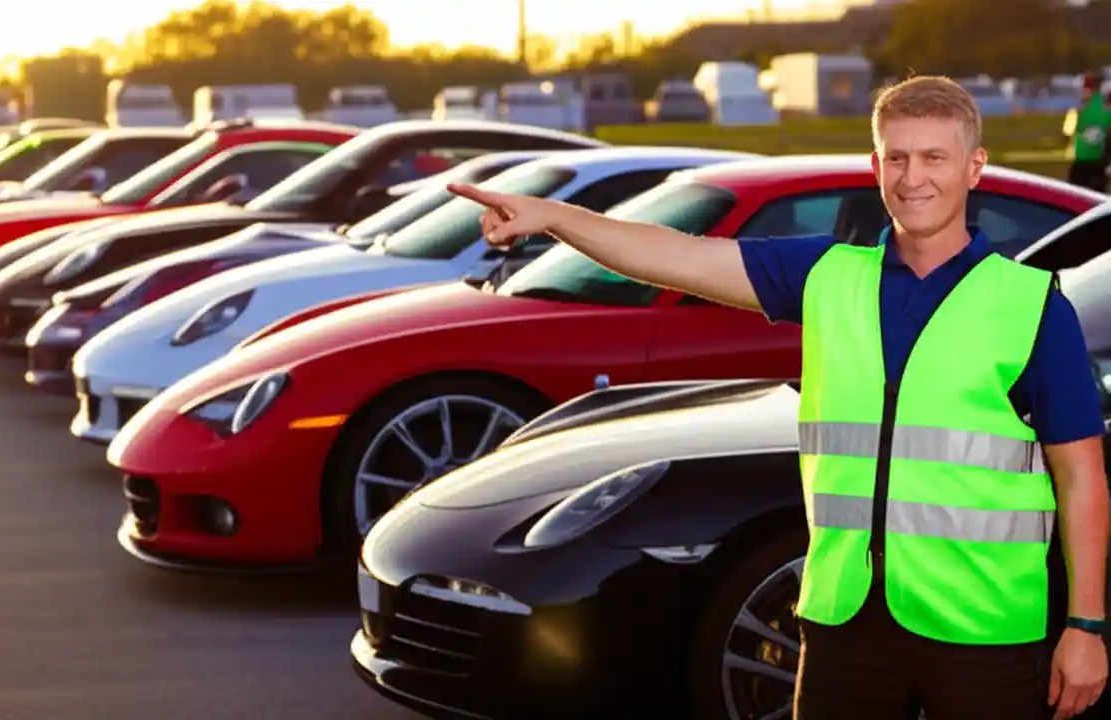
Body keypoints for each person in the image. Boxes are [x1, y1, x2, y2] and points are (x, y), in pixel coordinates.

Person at [450, 75, 1110, 719]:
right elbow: (677, 257)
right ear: (876, 165)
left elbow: (1081, 477)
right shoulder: (826, 275)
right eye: (898, 158)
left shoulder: (1030, 306)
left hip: (985, 625)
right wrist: (550, 217)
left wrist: (1085, 625)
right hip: (843, 620)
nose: (914, 178)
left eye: (935, 157)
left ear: (974, 167)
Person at [1064, 72, 1111, 192]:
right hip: (1100, 164)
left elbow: (1067, 132)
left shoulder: (1079, 110)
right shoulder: (1105, 108)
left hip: (1084, 162)